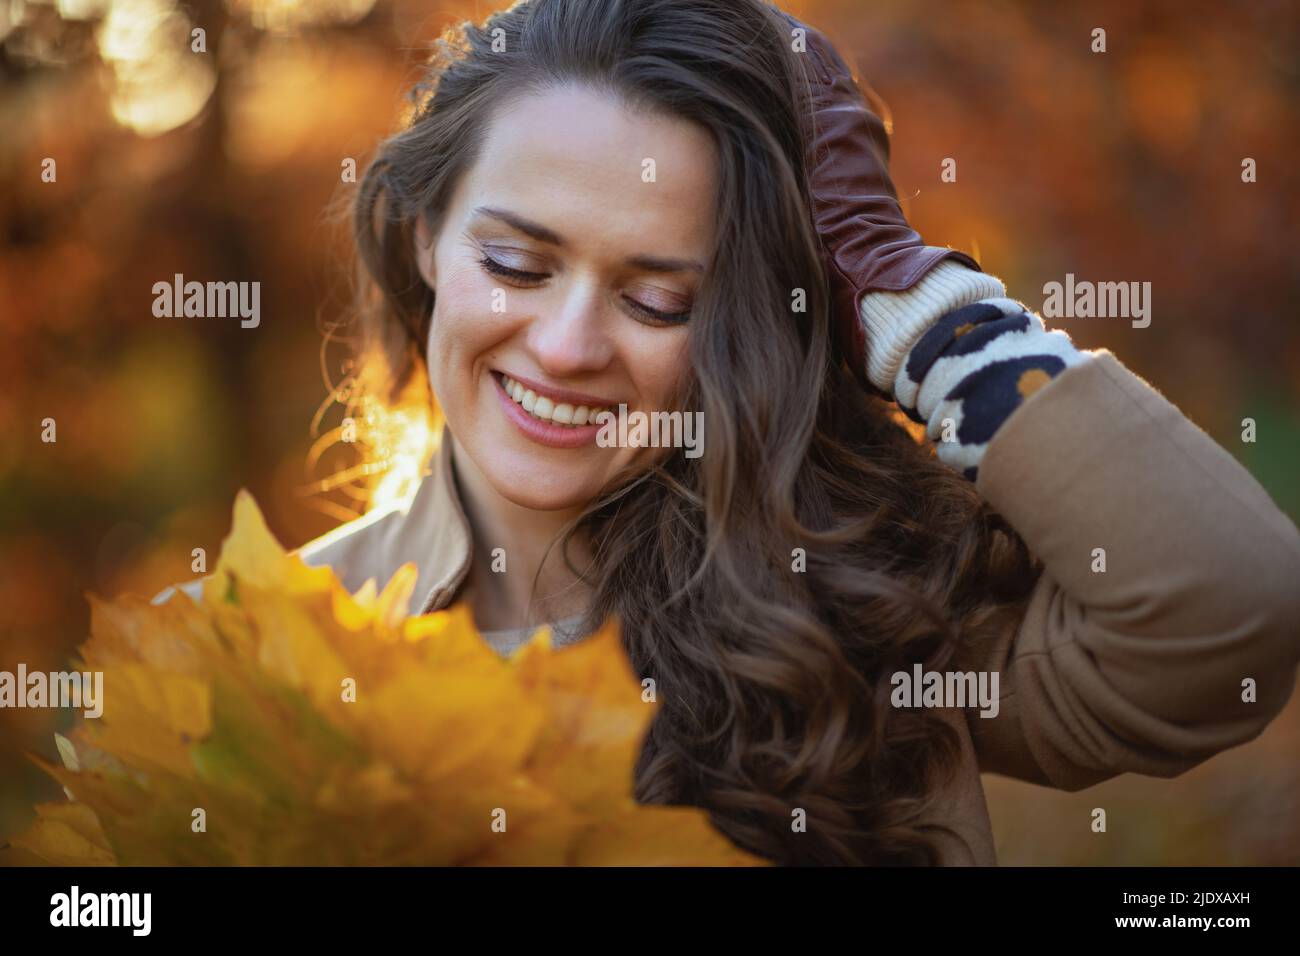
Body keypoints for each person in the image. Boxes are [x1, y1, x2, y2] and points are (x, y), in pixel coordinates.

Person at [159, 0, 1300, 865]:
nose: (564, 345)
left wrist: (899, 288)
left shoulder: (855, 615)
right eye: (515, 262)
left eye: (658, 297)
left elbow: (1226, 611)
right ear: (422, 240)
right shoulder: (244, 645)